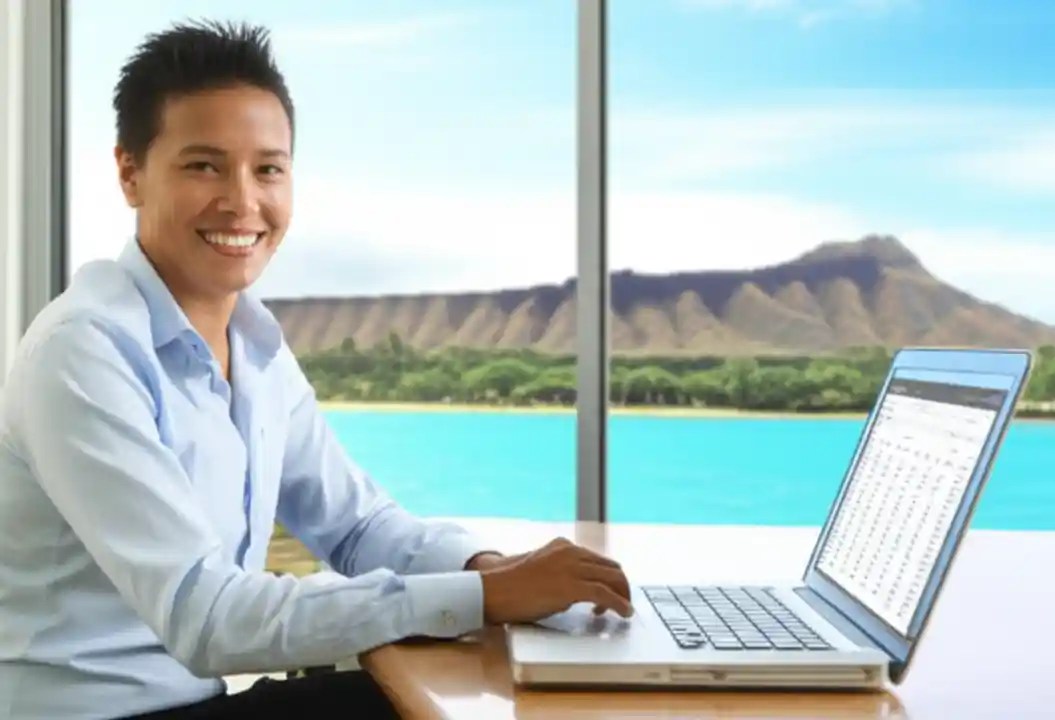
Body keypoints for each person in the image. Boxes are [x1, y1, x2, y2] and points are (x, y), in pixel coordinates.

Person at [0, 19, 633, 720]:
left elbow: (357, 528)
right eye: (204, 165)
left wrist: (489, 570)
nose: (243, 201)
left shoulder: (255, 346)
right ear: (130, 172)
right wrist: (482, 601)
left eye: (268, 168)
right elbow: (205, 616)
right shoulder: (83, 350)